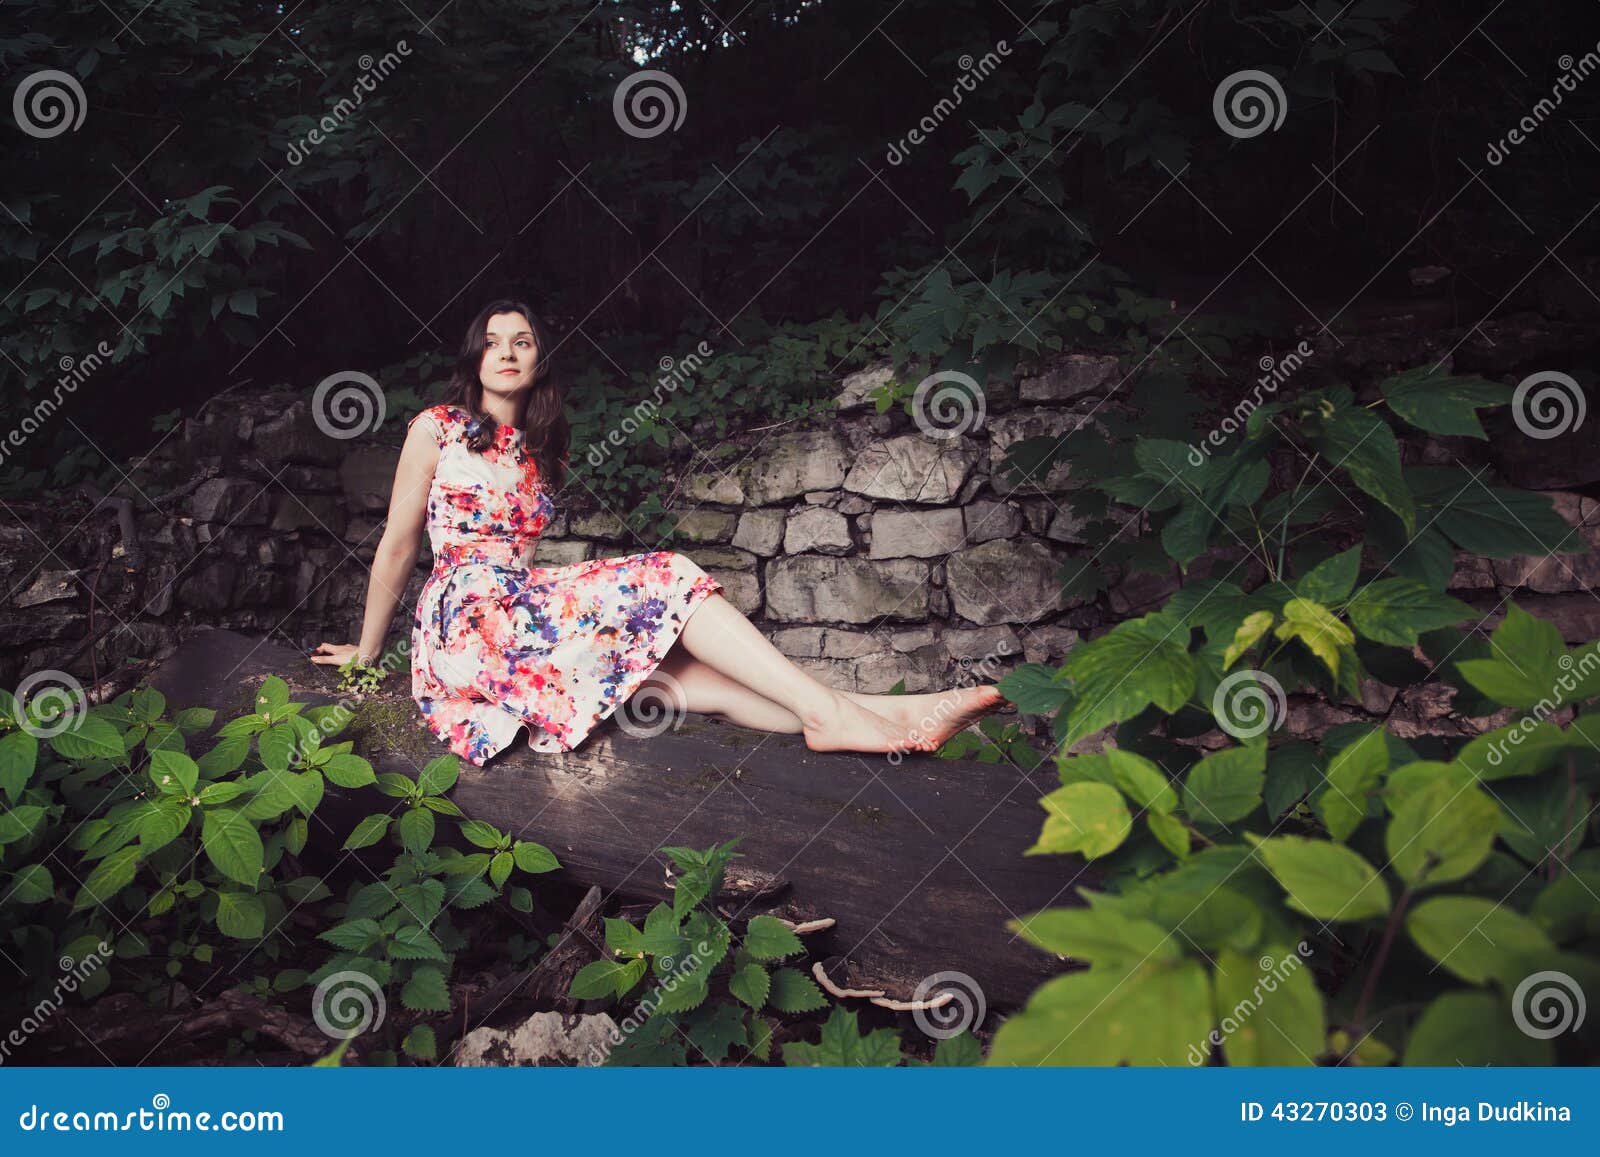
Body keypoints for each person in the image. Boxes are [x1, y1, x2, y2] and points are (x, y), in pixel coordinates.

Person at [312, 297, 1004, 767]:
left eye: (522, 341)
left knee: (681, 677)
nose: (507, 353)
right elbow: (401, 543)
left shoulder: (543, 454)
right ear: (473, 357)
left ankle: (894, 719)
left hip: (518, 610)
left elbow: (522, 565)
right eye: (492, 343)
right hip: (465, 622)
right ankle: (843, 715)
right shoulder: (436, 428)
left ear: (540, 358)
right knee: (669, 574)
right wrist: (369, 649)